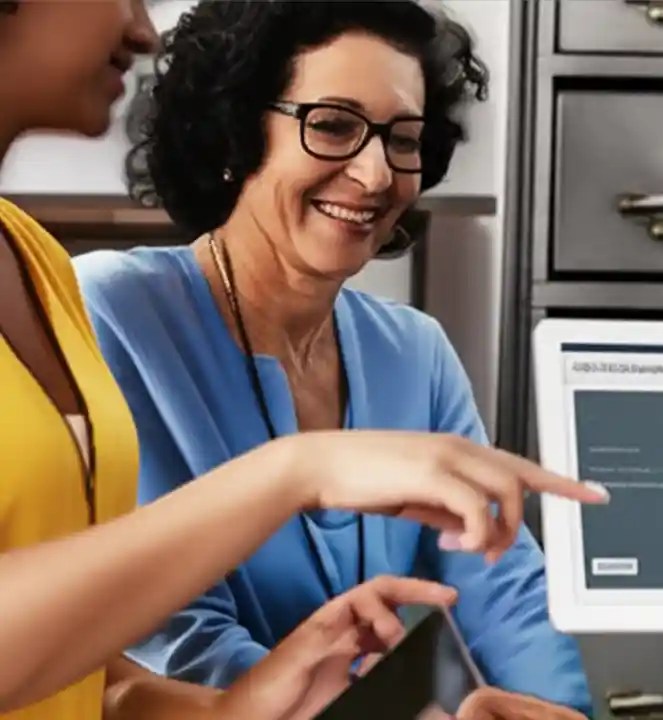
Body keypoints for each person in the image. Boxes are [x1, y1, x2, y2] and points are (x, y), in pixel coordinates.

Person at [0, 1, 605, 718]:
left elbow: (500, 585)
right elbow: (167, 624)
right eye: (333, 126)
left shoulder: (413, 349)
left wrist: (557, 710)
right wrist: (381, 707)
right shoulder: (111, 310)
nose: (377, 173)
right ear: (235, 135)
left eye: (403, 139)